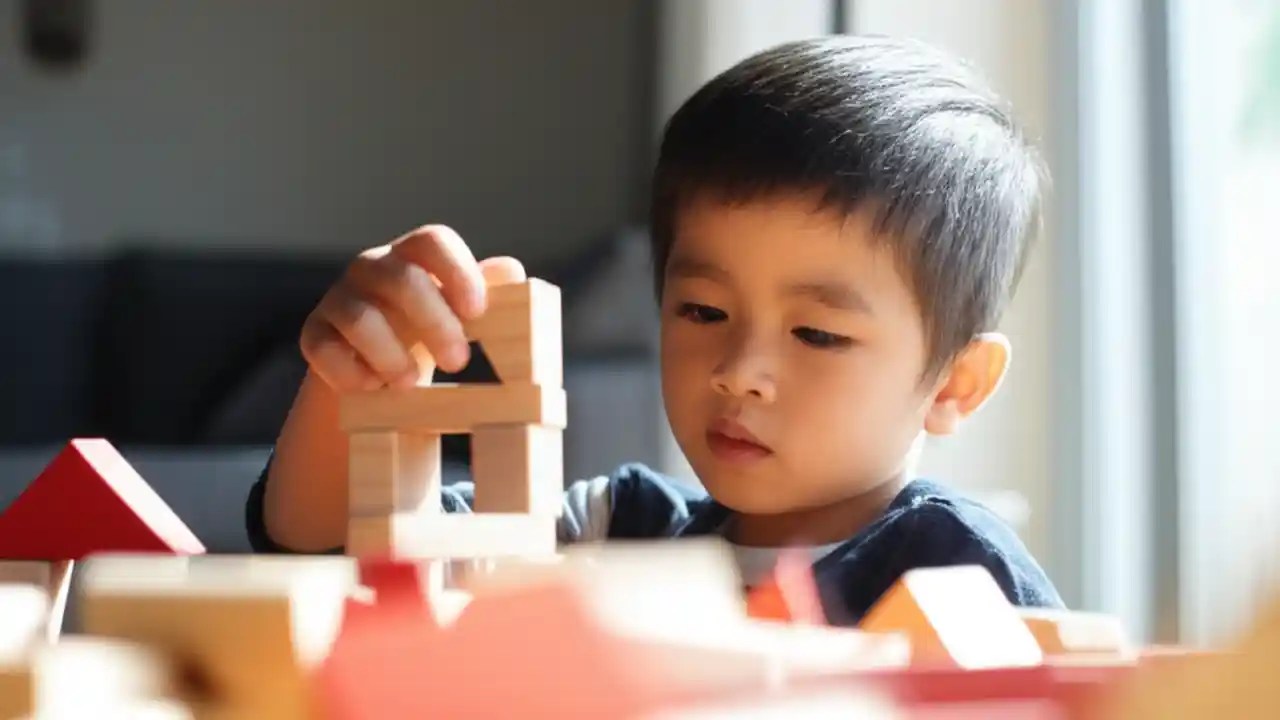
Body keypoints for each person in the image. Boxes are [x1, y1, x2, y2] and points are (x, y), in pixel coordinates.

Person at [244, 35, 1064, 624]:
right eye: (704, 312)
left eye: (816, 334)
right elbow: (332, 547)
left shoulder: (956, 571)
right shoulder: (616, 528)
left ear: (955, 384)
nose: (740, 370)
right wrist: (357, 374)